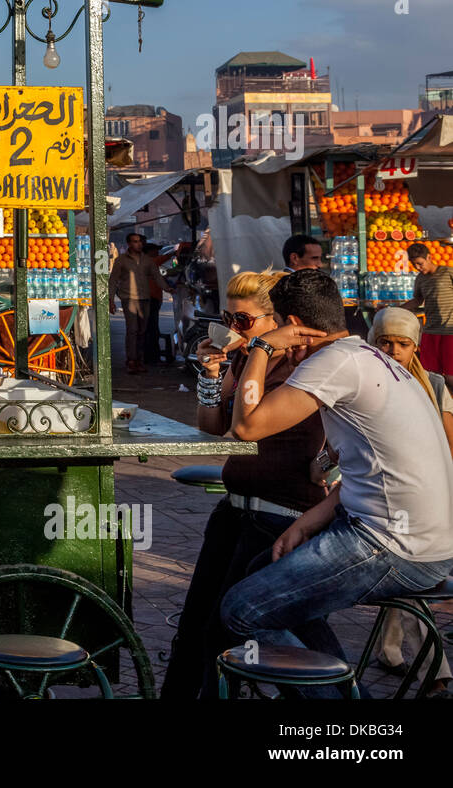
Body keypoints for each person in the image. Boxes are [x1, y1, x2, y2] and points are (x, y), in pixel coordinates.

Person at [222, 271, 453, 695]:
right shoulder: (366, 356)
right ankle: (340, 685)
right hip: (416, 538)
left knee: (241, 610)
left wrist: (261, 347)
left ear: (293, 326)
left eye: (275, 327)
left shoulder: (334, 362)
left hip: (393, 545)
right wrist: (310, 520)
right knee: (268, 575)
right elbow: (379, 467)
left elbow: (246, 427)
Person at [161, 271, 328, 700]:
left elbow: (246, 429)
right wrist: (211, 374)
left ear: (280, 321)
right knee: (196, 621)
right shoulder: (247, 356)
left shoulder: (302, 364)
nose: (233, 328)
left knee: (232, 628)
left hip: (280, 512)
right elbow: (213, 428)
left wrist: (259, 352)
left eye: (243, 320)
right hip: (236, 507)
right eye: (227, 318)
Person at [366, 307, 453, 692]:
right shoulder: (362, 383)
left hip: (424, 499)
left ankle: (397, 654)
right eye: (386, 342)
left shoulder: (433, 385)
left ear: (415, 347)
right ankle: (423, 665)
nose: (394, 350)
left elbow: (449, 443)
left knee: (402, 573)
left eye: (403, 344)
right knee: (401, 573)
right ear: (373, 343)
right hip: (378, 495)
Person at [109, 232, 173, 374]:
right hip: (129, 298)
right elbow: (113, 280)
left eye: (139, 241)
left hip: (145, 298)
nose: (138, 244)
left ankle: (139, 360)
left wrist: (167, 288)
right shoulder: (121, 261)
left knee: (142, 331)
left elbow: (157, 276)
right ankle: (131, 360)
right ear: (129, 244)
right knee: (132, 330)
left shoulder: (147, 260)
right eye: (135, 241)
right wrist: (111, 300)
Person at [402, 242, 453, 380]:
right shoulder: (420, 279)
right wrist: (397, 309)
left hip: (449, 331)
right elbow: (417, 300)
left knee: (450, 376)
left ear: (429, 257)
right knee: (430, 376)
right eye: (414, 265)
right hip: (430, 331)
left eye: (420, 263)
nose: (418, 268)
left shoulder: (448, 272)